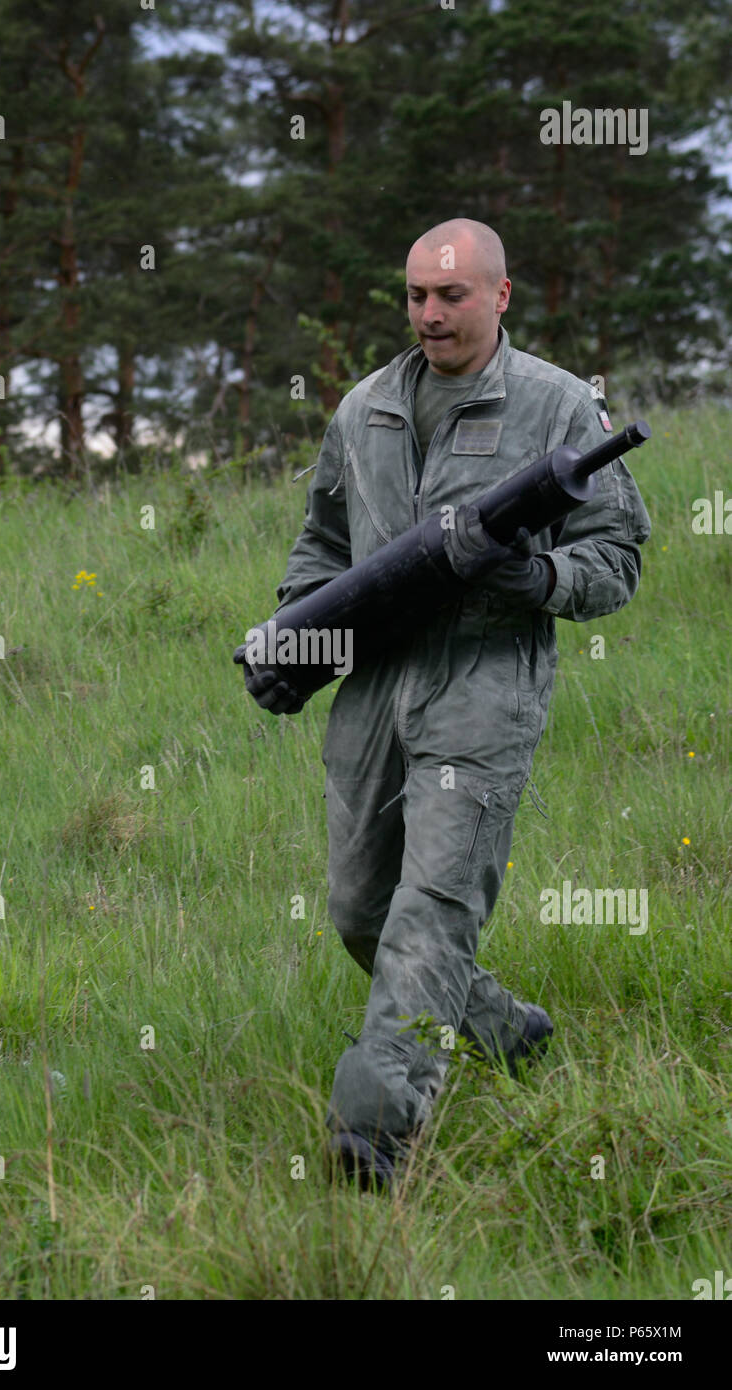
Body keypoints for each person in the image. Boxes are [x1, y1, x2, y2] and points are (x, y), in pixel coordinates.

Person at [234, 218, 651, 1191]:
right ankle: (510, 1034)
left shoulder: (555, 408)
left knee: (432, 910)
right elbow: (323, 548)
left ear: (500, 296)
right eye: (417, 295)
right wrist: (296, 638)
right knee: (360, 912)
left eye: (451, 295)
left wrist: (529, 575)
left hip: (483, 688)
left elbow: (616, 560)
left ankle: (370, 1134)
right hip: (373, 692)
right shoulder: (365, 407)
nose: (430, 313)